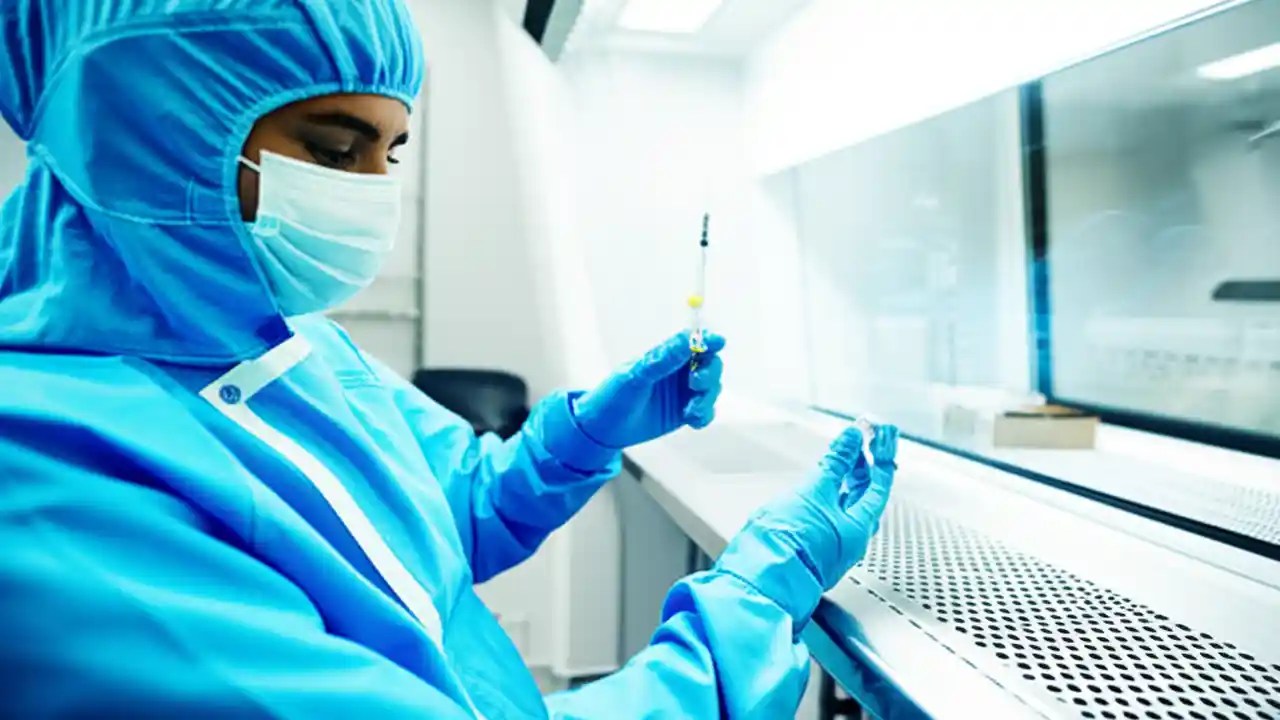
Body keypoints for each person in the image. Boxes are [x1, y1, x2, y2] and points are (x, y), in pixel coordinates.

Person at [0, 1, 900, 718]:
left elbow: (444, 513)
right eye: (332, 148)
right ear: (141, 131)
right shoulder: (45, 475)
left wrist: (583, 435)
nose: (371, 195)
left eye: (390, 152)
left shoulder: (293, 341)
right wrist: (748, 603)